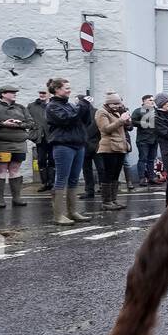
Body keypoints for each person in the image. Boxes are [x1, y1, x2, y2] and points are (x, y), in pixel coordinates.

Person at [44, 78, 94, 225]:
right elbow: (68, 120)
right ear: (57, 90)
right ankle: (58, 215)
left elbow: (84, 121)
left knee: (73, 179)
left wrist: (86, 108)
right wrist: (83, 105)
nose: (69, 90)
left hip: (78, 144)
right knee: (61, 179)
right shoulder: (52, 107)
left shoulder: (71, 105)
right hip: (63, 145)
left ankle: (72, 212)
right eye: (66, 88)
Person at [0, 86, 34, 208]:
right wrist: (3, 123)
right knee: (0, 170)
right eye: (11, 92)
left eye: (15, 92)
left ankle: (16, 198)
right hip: (1, 145)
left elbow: (31, 123)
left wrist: (19, 124)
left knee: (15, 169)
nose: (14, 94)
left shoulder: (21, 108)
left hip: (19, 145)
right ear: (3, 94)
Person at [95, 91, 134, 211]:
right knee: (108, 174)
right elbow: (106, 129)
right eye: (115, 104)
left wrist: (127, 120)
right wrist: (121, 120)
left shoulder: (117, 112)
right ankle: (106, 202)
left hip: (120, 147)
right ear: (109, 104)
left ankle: (113, 200)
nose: (118, 106)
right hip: (108, 148)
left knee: (116, 175)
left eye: (119, 103)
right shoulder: (101, 112)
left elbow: (128, 127)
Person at [29, 87, 55, 191]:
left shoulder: (54, 105)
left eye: (44, 93)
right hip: (40, 137)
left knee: (53, 160)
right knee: (41, 160)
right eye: (40, 93)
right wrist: (33, 130)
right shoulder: (32, 106)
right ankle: (45, 183)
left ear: (50, 94)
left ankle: (52, 182)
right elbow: (28, 119)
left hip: (53, 137)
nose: (41, 95)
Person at [131, 95, 160, 187]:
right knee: (143, 159)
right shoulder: (139, 111)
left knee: (151, 159)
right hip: (143, 140)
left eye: (153, 100)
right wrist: (144, 123)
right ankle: (142, 178)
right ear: (144, 101)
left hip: (154, 139)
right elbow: (132, 121)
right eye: (150, 100)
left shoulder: (156, 111)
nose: (152, 101)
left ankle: (152, 177)